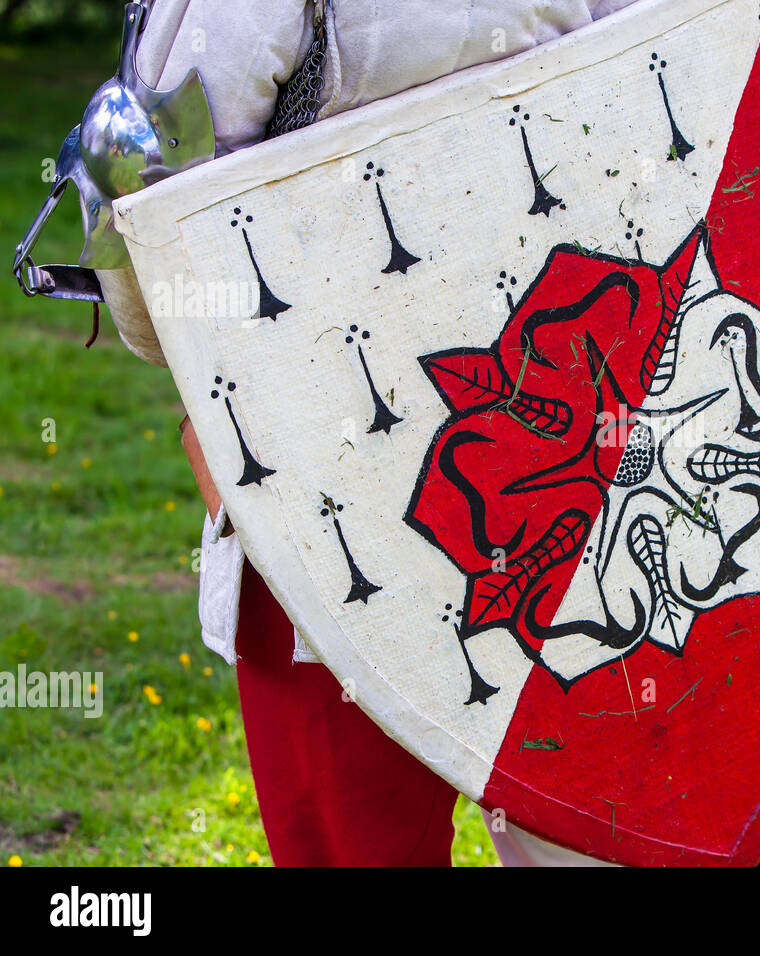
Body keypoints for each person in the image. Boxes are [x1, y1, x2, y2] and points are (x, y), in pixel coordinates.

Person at [98, 0, 641, 867]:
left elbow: (152, 227)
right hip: (564, 464)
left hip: (317, 472)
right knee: (592, 829)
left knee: (353, 846)